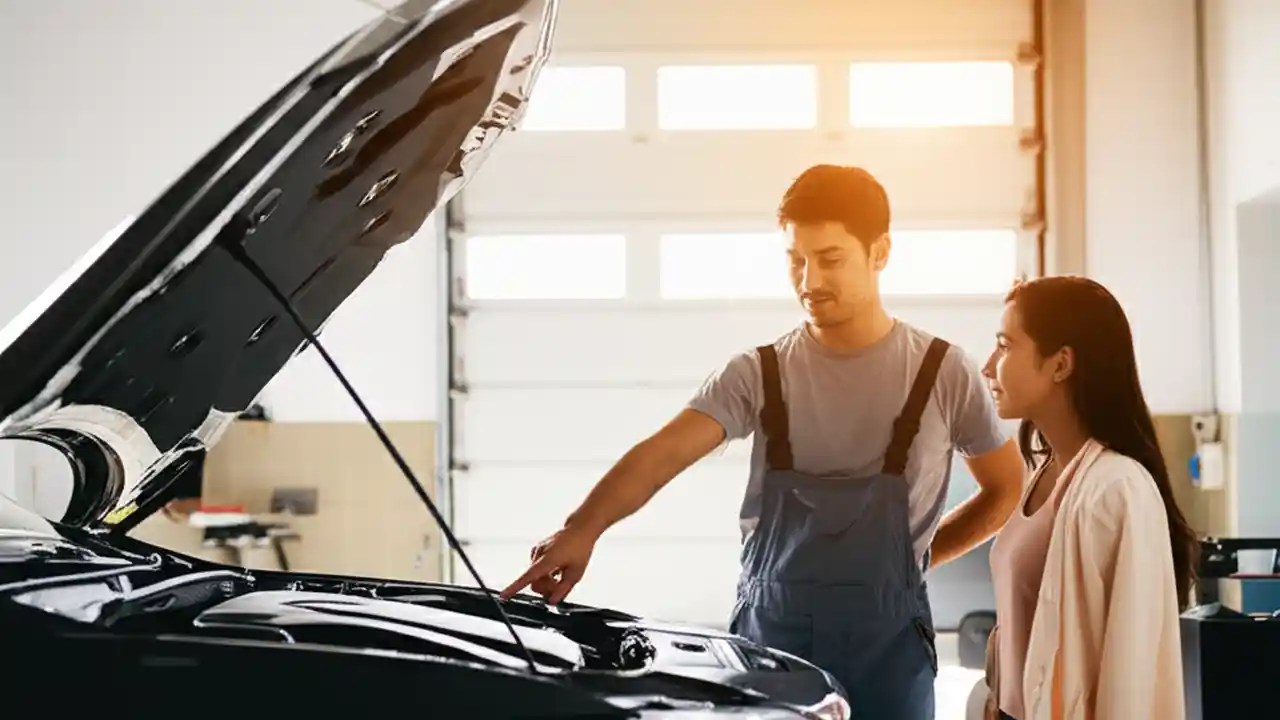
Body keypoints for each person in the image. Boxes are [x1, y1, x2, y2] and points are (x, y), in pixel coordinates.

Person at [501, 164, 1025, 719]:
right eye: (795, 260)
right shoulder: (759, 374)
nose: (808, 281)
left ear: (880, 252)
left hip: (889, 653)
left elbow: (1004, 488)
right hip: (774, 648)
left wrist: (917, 559)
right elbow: (663, 454)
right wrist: (582, 528)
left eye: (830, 259)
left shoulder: (944, 373)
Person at [981, 276, 1197, 720]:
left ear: (1060, 364)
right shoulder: (1043, 473)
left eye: (1005, 346)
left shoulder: (1117, 488)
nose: (988, 366)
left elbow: (1129, 676)